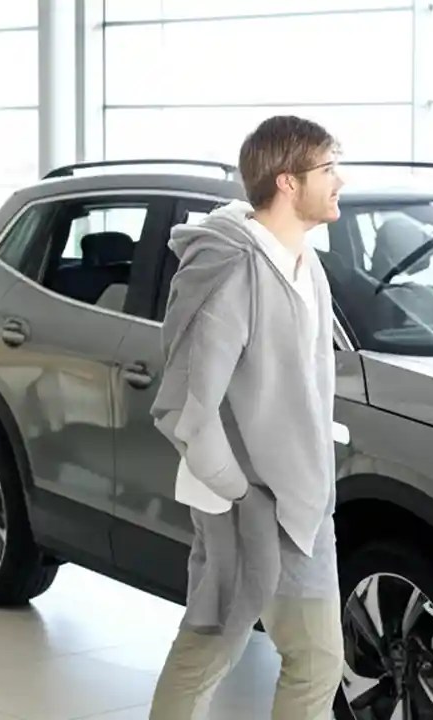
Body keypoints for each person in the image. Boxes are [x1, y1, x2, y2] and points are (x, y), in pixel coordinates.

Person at [147, 115, 345, 720]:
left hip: (302, 501)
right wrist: (243, 494)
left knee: (309, 660)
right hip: (249, 502)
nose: (340, 181)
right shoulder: (232, 272)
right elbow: (183, 407)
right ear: (287, 182)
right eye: (328, 169)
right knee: (218, 649)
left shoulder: (305, 263)